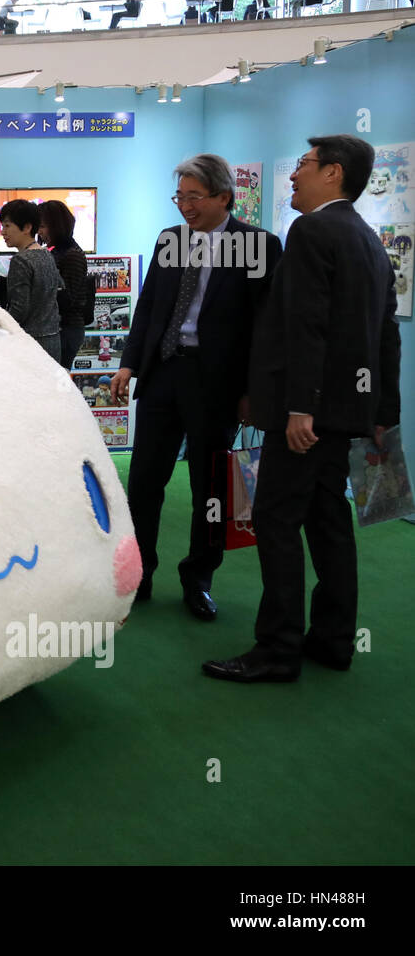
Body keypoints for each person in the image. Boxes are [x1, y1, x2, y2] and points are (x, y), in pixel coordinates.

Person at [203, 136, 401, 683]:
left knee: (277, 518)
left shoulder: (313, 231)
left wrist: (299, 409)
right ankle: (333, 639)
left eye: (304, 166)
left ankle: (278, 648)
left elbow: (307, 328)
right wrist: (385, 410)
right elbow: (384, 333)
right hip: (347, 412)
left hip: (308, 416)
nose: (293, 176)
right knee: (327, 519)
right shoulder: (367, 239)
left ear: (334, 173)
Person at [108, 154, 282, 619]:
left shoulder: (259, 246)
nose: (184, 207)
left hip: (216, 383)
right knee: (144, 481)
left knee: (211, 488)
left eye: (194, 197)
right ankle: (139, 574)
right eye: (179, 197)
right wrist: (129, 365)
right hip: (164, 373)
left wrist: (251, 391)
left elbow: (266, 327)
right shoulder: (171, 240)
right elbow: (148, 308)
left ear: (224, 197)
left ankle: (198, 580)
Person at [0, 199, 61, 360]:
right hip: (53, 339)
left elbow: (19, 309)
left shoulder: (21, 260)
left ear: (27, 227)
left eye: (7, 226)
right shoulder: (47, 255)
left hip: (30, 342)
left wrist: (0, 324)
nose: (2, 232)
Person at [38, 199, 88, 369]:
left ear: (55, 226)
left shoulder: (71, 254)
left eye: (43, 226)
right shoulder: (55, 251)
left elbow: (67, 298)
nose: (39, 232)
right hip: (58, 328)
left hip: (66, 329)